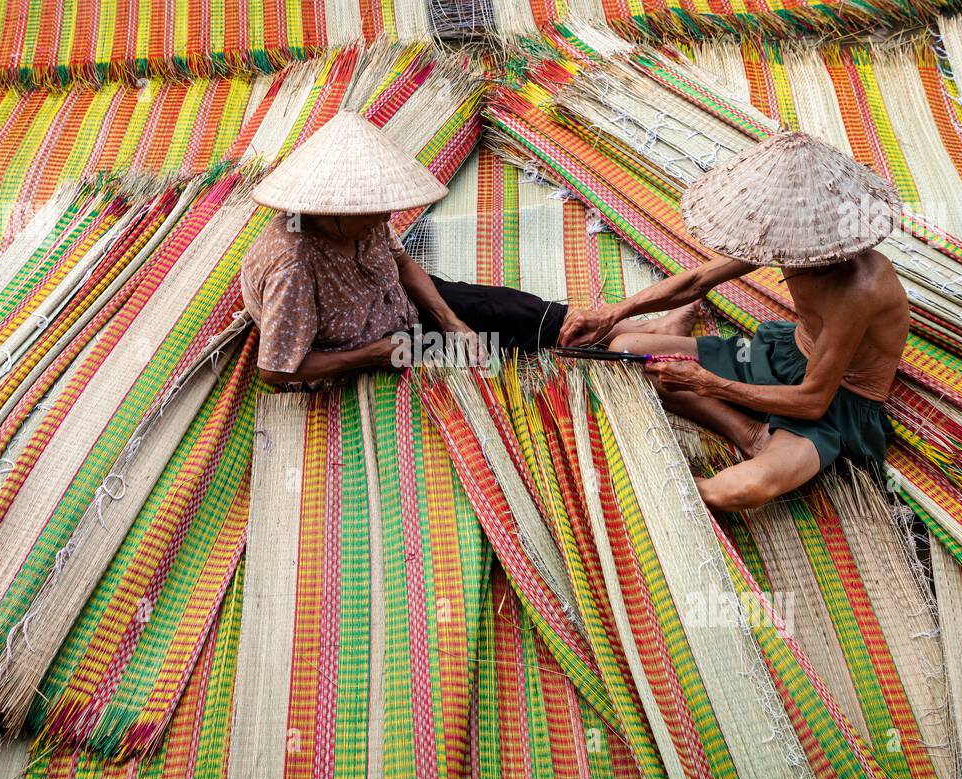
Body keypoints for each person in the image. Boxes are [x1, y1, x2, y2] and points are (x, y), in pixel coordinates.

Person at [560, 131, 909, 512]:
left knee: (735, 492)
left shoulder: (861, 289)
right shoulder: (789, 236)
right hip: (785, 355)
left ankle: (750, 439)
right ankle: (743, 426)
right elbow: (697, 281)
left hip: (836, 402)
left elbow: (812, 401)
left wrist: (707, 384)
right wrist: (614, 312)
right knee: (626, 349)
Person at [241, 110, 567, 386]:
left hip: (399, 304)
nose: (386, 217)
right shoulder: (293, 265)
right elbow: (275, 369)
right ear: (332, 210)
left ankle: (579, 324)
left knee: (503, 308)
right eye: (375, 210)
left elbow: (403, 264)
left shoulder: (364, 219)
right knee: (488, 356)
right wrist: (372, 354)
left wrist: (449, 320)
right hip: (366, 347)